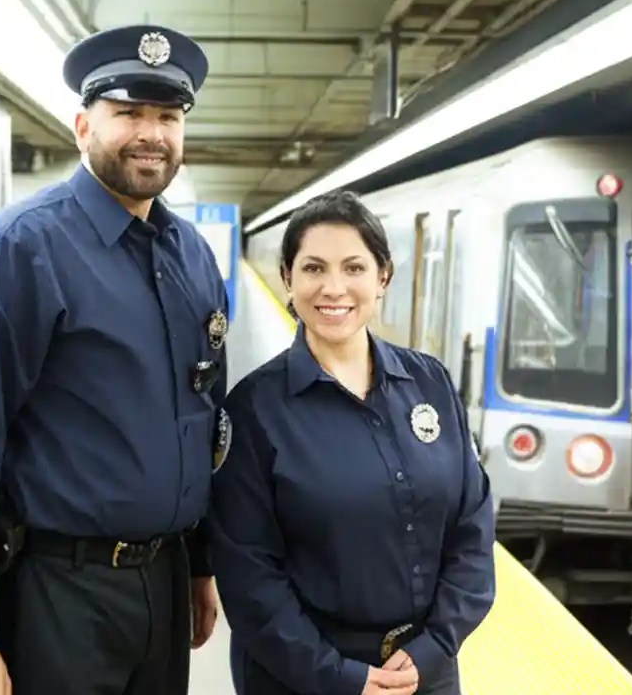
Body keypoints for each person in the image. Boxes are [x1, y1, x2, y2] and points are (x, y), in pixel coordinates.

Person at [0, 24, 230, 695]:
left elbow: (204, 421)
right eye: (128, 114)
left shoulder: (191, 255)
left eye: (168, 116)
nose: (151, 133)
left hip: (163, 585)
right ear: (84, 125)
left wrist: (199, 565)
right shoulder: (18, 249)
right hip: (57, 590)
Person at [207, 191, 497, 695]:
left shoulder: (431, 384)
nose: (333, 288)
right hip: (303, 678)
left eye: (354, 268)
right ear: (288, 280)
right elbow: (249, 575)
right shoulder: (254, 409)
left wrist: (433, 647)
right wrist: (340, 677)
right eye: (314, 268)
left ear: (383, 277)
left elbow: (473, 525)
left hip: (423, 673)